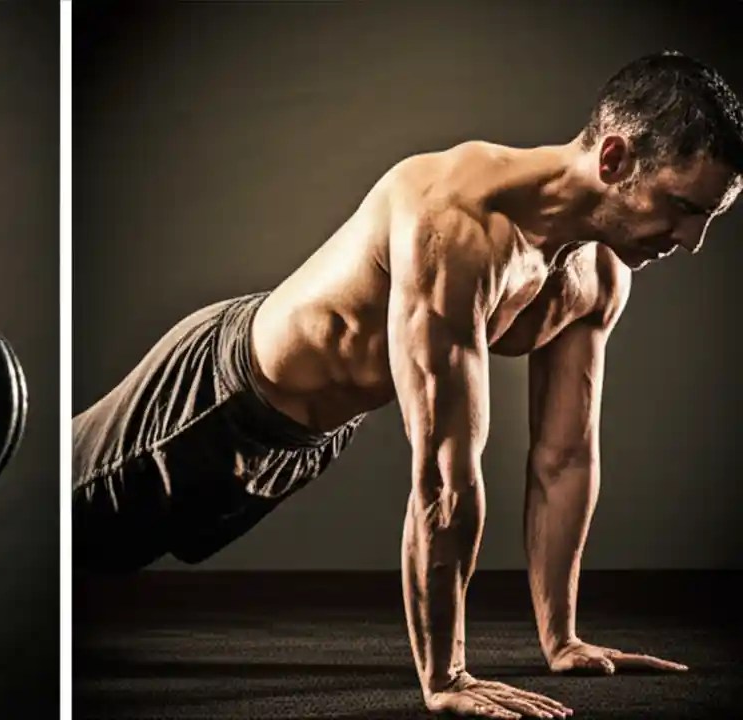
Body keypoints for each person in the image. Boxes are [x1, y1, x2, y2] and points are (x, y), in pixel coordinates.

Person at [72, 51, 742, 719]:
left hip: (301, 440)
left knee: (95, 565)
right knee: (36, 529)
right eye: (683, 207)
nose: (692, 240)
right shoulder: (457, 219)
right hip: (214, 398)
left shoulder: (598, 274)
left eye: (708, 215)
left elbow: (564, 459)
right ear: (615, 160)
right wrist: (447, 677)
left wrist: (561, 639)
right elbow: (445, 476)